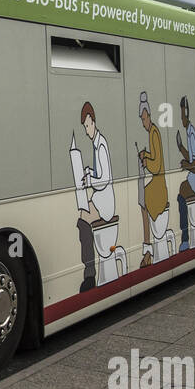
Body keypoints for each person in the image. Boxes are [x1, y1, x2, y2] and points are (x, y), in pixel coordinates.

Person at [76, 102, 113, 292]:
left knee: (82, 220)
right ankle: (89, 270)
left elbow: (105, 179)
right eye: (85, 127)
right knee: (82, 216)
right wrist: (91, 172)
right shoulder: (96, 143)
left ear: (93, 121)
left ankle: (89, 273)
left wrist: (91, 180)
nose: (87, 130)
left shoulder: (101, 144)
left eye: (87, 126)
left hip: (105, 201)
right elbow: (100, 172)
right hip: (100, 198)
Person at [135, 91, 167, 268]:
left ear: (148, 116)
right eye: (142, 120)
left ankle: (148, 251)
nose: (143, 123)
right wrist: (145, 154)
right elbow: (155, 157)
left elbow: (157, 165)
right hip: (157, 181)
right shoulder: (152, 132)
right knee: (142, 201)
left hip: (159, 183)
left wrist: (145, 161)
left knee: (144, 201)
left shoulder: (154, 132)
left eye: (144, 119)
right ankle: (147, 248)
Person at [174, 96, 195, 251]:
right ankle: (184, 237)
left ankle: (185, 239)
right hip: (192, 178)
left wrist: (186, 165)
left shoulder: (191, 132)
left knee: (181, 194)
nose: (181, 118)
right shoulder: (188, 131)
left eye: (182, 115)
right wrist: (180, 147)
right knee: (181, 191)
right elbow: (190, 156)